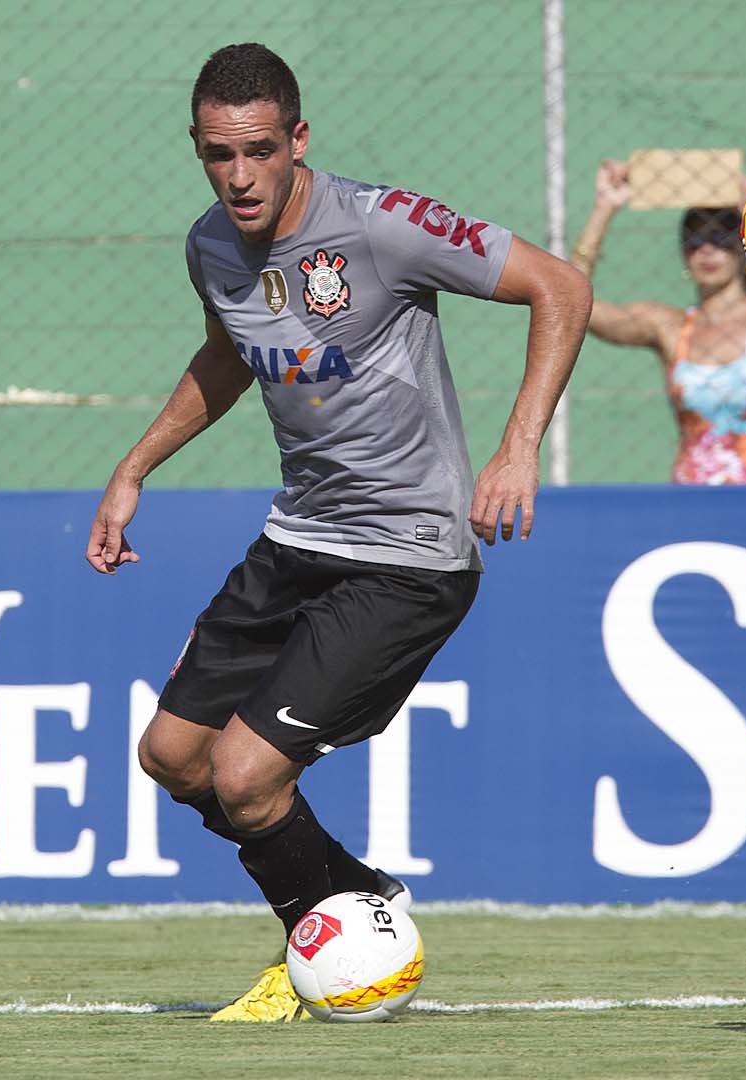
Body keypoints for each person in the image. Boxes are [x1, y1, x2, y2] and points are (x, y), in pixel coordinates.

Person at [86, 43, 590, 1022]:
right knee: (173, 755)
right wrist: (134, 465)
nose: (238, 176)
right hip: (299, 540)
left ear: (297, 139)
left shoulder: (382, 226)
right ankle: (353, 902)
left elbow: (560, 287)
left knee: (244, 773)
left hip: (407, 556)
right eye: (215, 154)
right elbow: (230, 357)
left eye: (257, 152)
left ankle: (327, 933)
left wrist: (518, 446)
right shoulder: (209, 245)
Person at [569, 160, 746, 484]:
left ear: (741, 246)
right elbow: (573, 305)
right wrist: (604, 208)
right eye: (695, 240)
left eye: (722, 237)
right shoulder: (671, 327)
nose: (708, 250)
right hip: (694, 498)